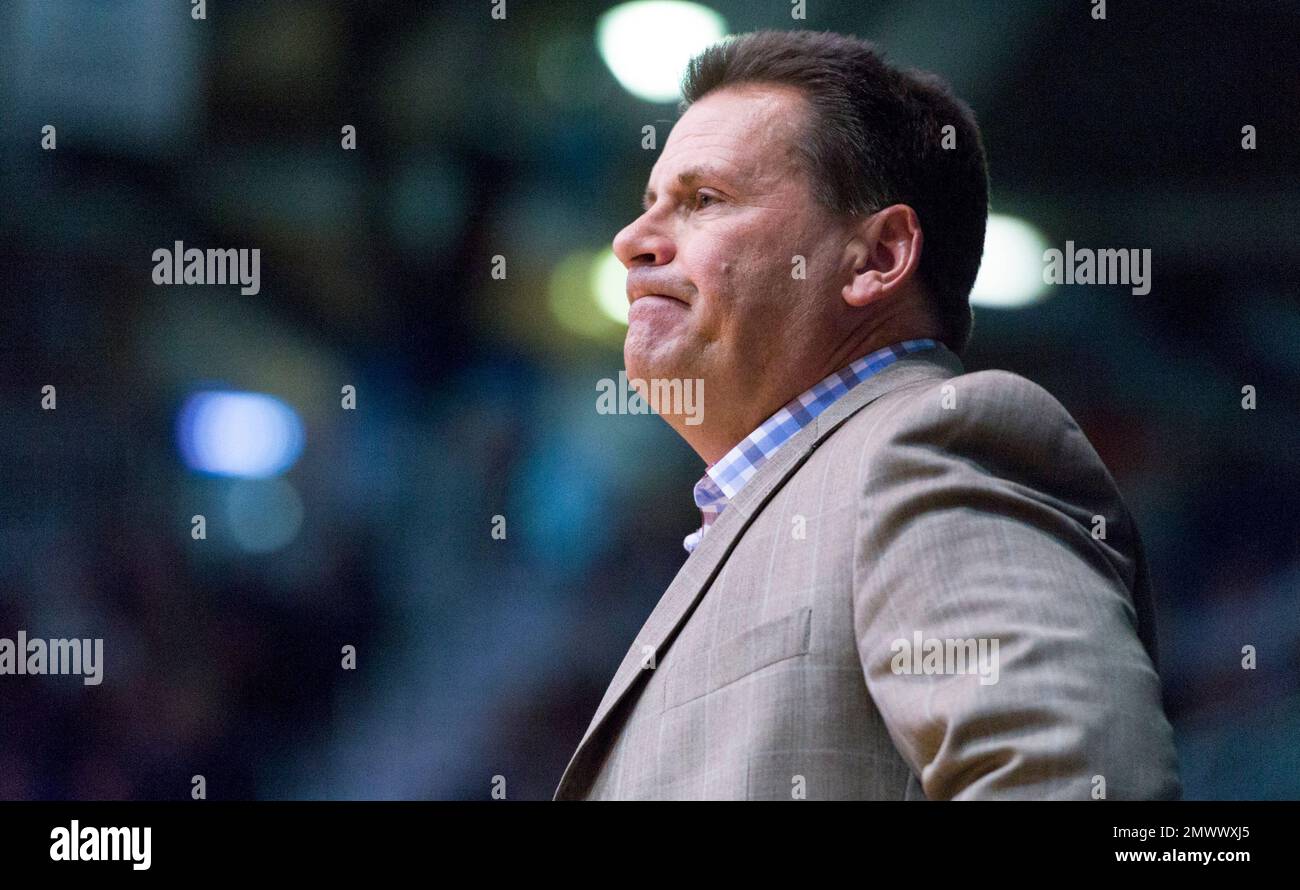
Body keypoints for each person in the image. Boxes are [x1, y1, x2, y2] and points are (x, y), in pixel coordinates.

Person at [554, 30, 1180, 800]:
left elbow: (1083, 785)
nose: (631, 242)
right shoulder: (790, 500)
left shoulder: (933, 445)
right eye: (649, 205)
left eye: (703, 200)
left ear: (878, 258)